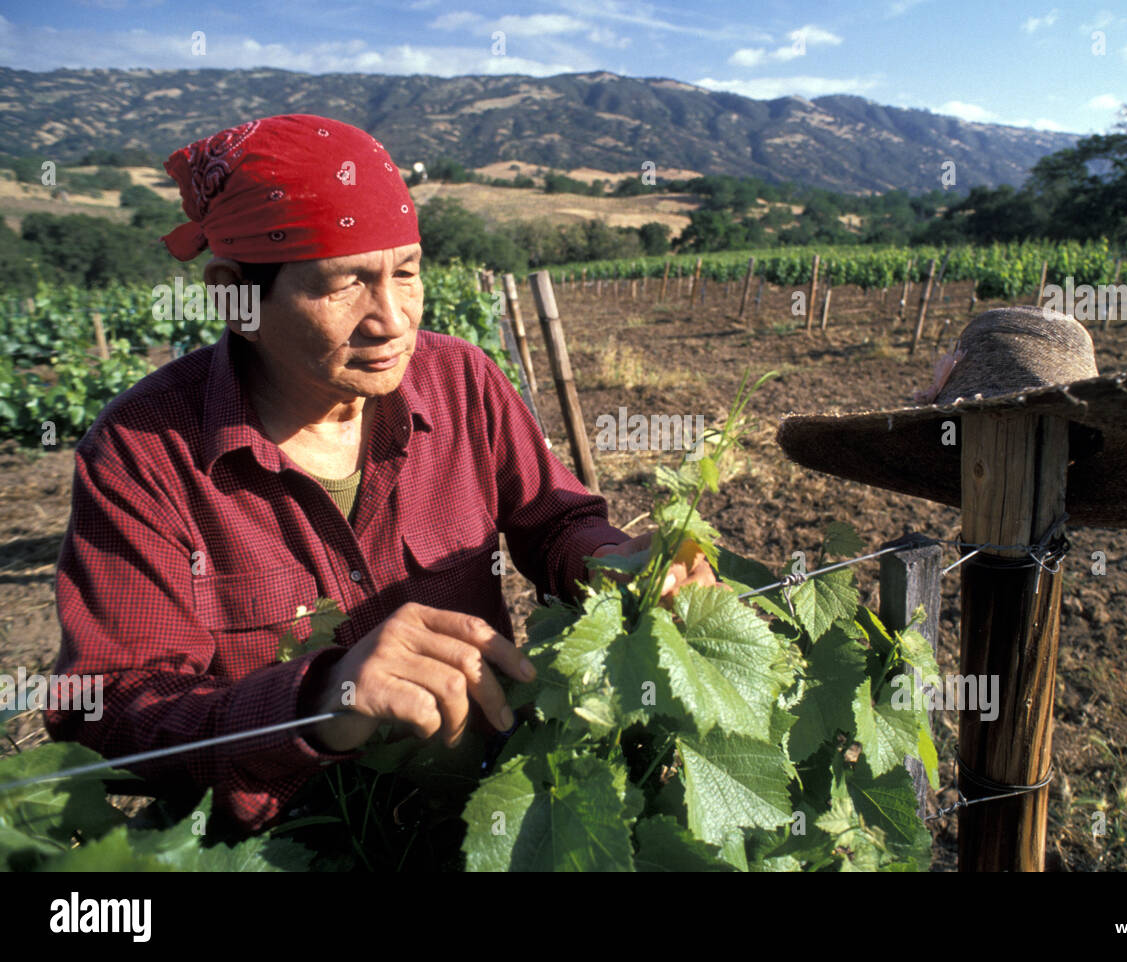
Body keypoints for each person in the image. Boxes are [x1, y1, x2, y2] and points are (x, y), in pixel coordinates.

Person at [46, 114, 715, 835]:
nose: (392, 319)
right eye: (345, 286)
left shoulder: (462, 380)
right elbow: (108, 705)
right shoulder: (143, 454)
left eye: (406, 273)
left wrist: (613, 563)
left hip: (495, 814)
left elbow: (556, 524)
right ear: (233, 295)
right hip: (294, 843)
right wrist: (318, 702)